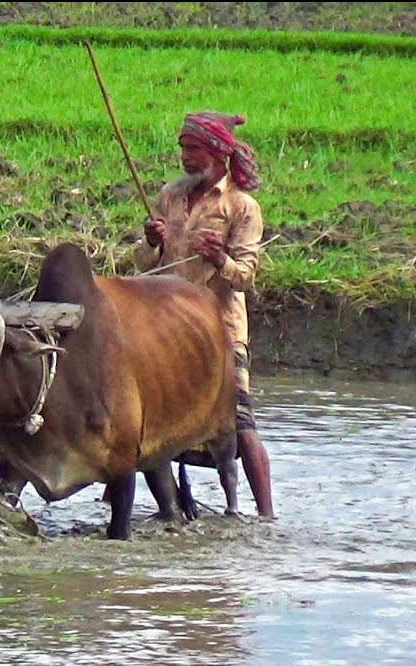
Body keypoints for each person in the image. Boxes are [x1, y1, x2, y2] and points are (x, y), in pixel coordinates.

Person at [132, 111, 274, 518]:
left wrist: (221, 259)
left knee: (240, 421)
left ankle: (265, 514)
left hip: (219, 331)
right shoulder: (170, 196)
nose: (185, 157)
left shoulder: (242, 207)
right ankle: (161, 506)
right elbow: (145, 264)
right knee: (151, 417)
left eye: (193, 149)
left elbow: (245, 277)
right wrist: (151, 243)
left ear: (217, 152)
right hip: (167, 329)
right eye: (182, 149)